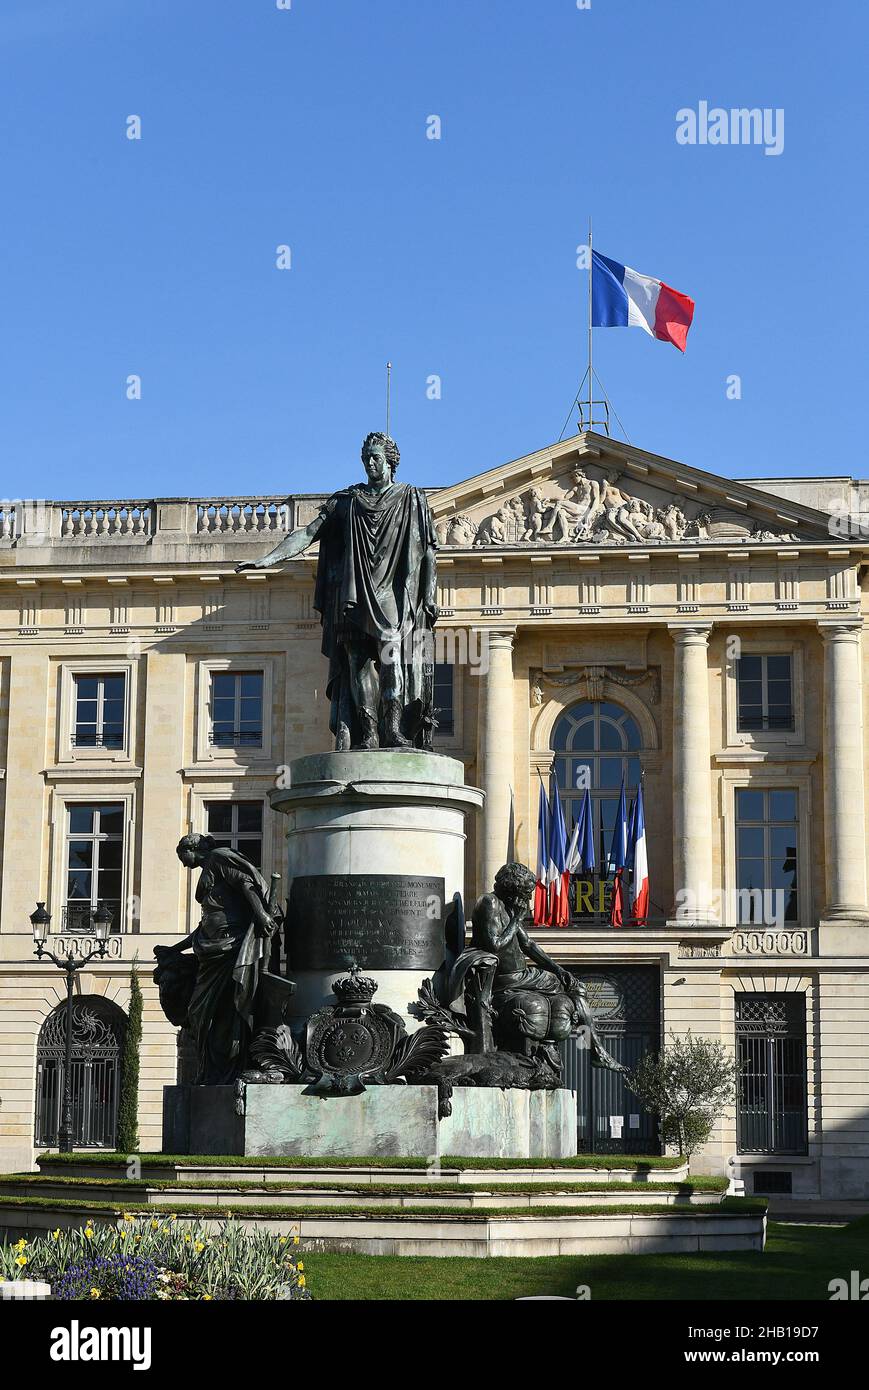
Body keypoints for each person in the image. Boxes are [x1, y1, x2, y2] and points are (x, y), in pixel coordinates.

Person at [237, 432, 438, 750]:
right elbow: (307, 533)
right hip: (354, 594)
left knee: (392, 659)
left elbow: (427, 550)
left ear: (390, 461)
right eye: (366, 458)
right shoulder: (347, 501)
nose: (370, 463)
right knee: (356, 664)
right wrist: (267, 559)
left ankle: (393, 728)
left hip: (391, 596)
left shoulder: (410, 498)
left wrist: (428, 594)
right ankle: (369, 732)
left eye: (376, 457)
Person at [153, 835, 280, 1084]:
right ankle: (213, 1070)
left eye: (182, 856)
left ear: (192, 849)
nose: (182, 863)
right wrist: (175, 948)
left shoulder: (218, 858)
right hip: (212, 951)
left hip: (230, 949)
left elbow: (246, 885)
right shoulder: (209, 868)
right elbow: (204, 926)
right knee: (200, 1014)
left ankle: (227, 1068)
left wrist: (262, 915)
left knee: (223, 1012)